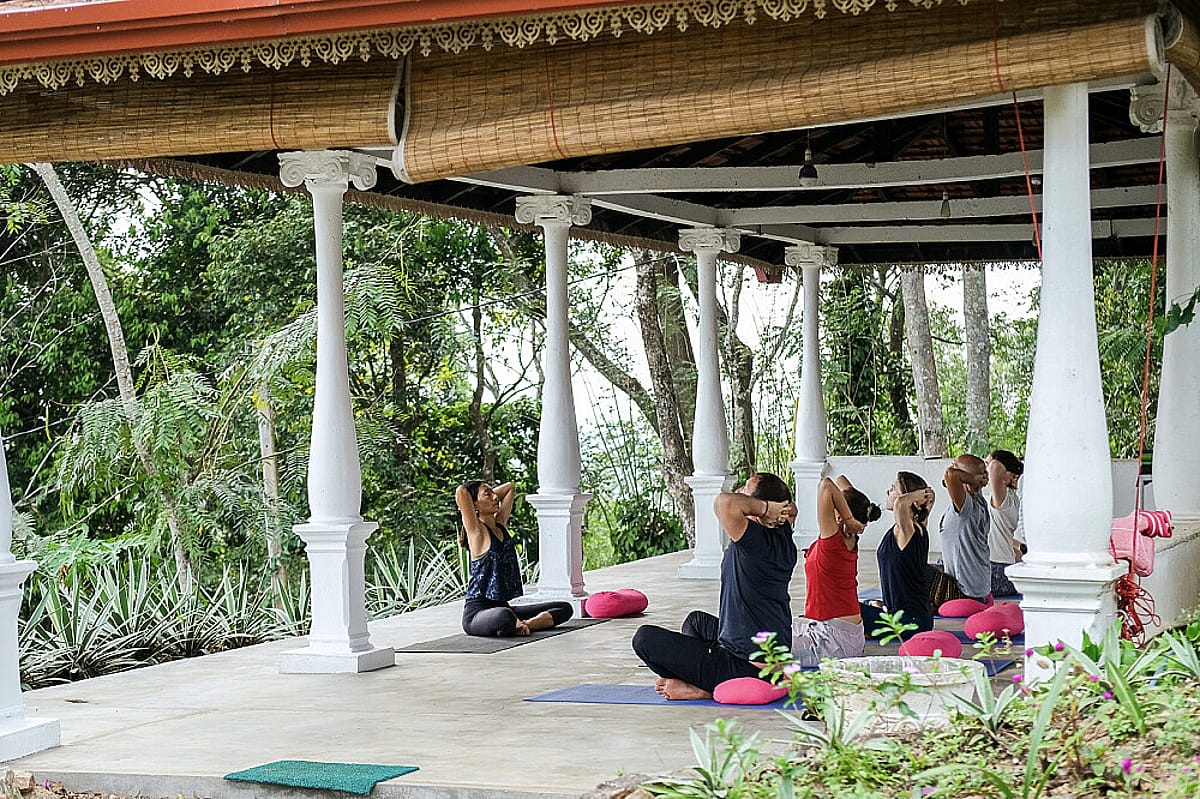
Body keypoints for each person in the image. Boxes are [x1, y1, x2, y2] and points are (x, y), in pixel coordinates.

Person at [631, 473, 797, 700]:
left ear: (764, 508)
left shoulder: (755, 541)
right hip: (761, 651)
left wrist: (766, 507)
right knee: (695, 621)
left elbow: (723, 502)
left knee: (644, 639)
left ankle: (701, 689)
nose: (738, 492)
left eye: (745, 491)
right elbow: (791, 508)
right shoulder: (783, 532)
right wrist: (775, 508)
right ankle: (700, 672)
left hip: (745, 666)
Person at [455, 480, 573, 637]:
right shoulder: (477, 533)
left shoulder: (500, 525)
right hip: (478, 613)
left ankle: (527, 625)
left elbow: (510, 487)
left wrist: (486, 495)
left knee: (564, 608)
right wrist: (471, 504)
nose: (495, 497)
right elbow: (461, 492)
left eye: (494, 493)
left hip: (505, 607)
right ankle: (515, 623)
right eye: (487, 495)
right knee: (504, 616)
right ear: (474, 505)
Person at [791, 475, 880, 666]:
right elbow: (840, 480)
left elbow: (826, 486)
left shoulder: (832, 542)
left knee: (760, 647)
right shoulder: (848, 539)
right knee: (770, 626)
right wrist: (852, 518)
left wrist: (849, 518)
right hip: (841, 633)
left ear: (838, 516)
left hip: (831, 642)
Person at [860, 471, 936, 638]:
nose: (888, 492)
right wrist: (926, 497)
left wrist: (919, 495)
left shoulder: (908, 530)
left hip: (910, 622)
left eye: (893, 488)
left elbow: (900, 503)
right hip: (908, 617)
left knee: (844, 609)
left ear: (910, 499)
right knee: (861, 605)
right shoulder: (913, 526)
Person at [934, 454, 992, 604]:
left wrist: (974, 479)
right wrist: (977, 479)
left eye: (955, 466)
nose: (950, 468)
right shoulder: (978, 499)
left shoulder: (966, 507)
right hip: (977, 589)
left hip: (964, 592)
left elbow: (950, 475)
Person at [983, 449, 1024, 598]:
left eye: (987, 464)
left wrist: (1012, 471)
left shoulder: (1003, 500)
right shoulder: (1008, 499)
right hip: (1002, 569)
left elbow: (994, 468)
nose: (985, 469)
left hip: (997, 572)